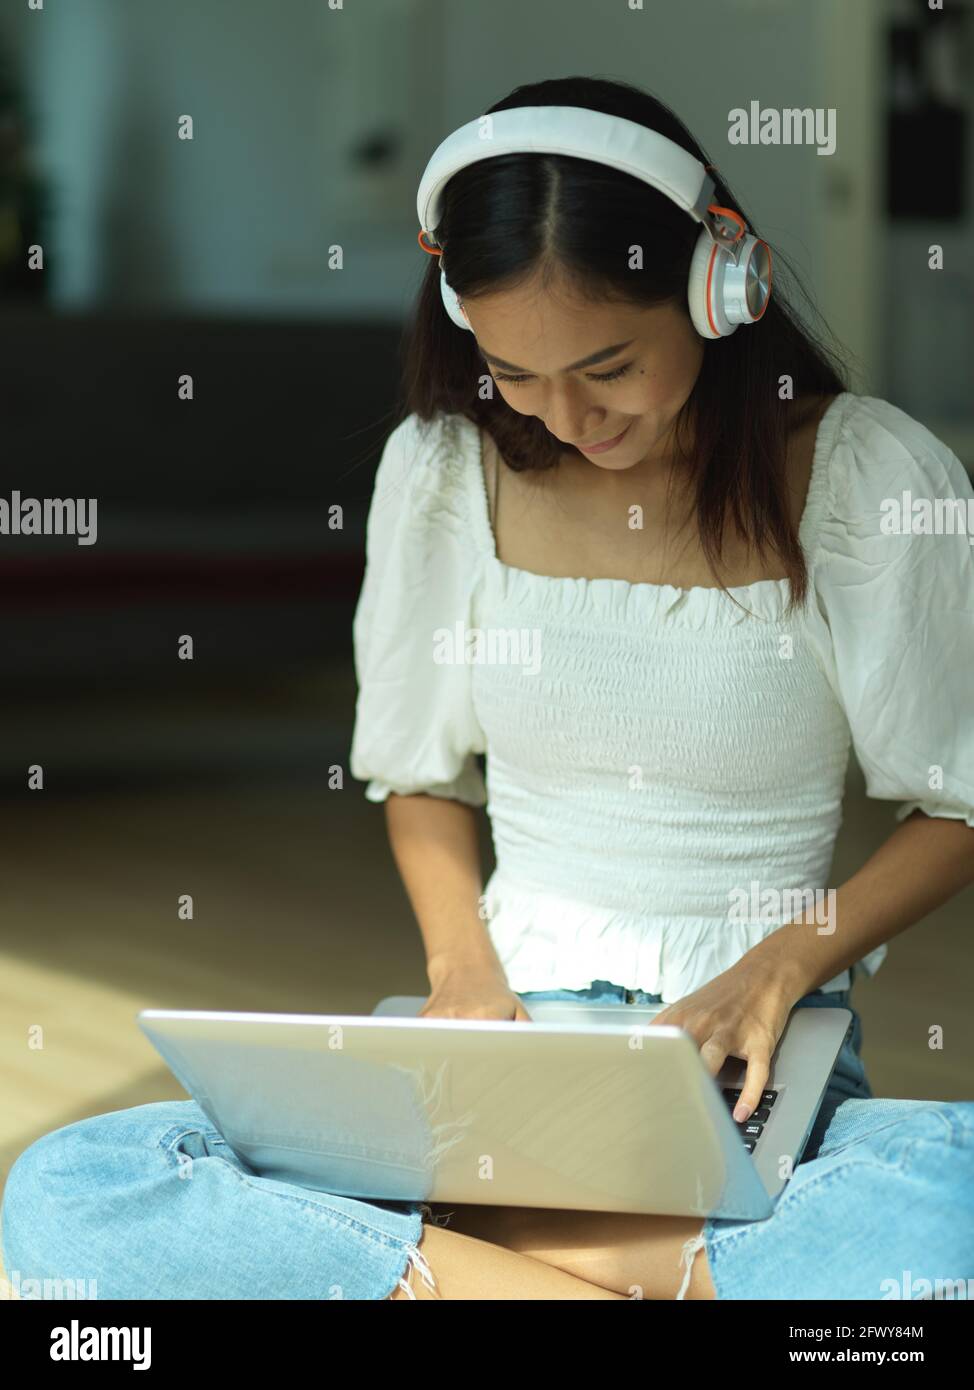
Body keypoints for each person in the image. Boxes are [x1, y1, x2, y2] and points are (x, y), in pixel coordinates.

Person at [4, 77, 974, 1302]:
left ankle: (468, 1276)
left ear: (718, 285)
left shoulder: (857, 476)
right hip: (499, 1036)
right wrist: (461, 970)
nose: (567, 418)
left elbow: (957, 802)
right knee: (78, 1176)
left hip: (750, 1052)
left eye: (606, 365)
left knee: (951, 1191)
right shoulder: (442, 472)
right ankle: (643, 1281)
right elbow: (417, 771)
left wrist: (781, 963)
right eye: (514, 373)